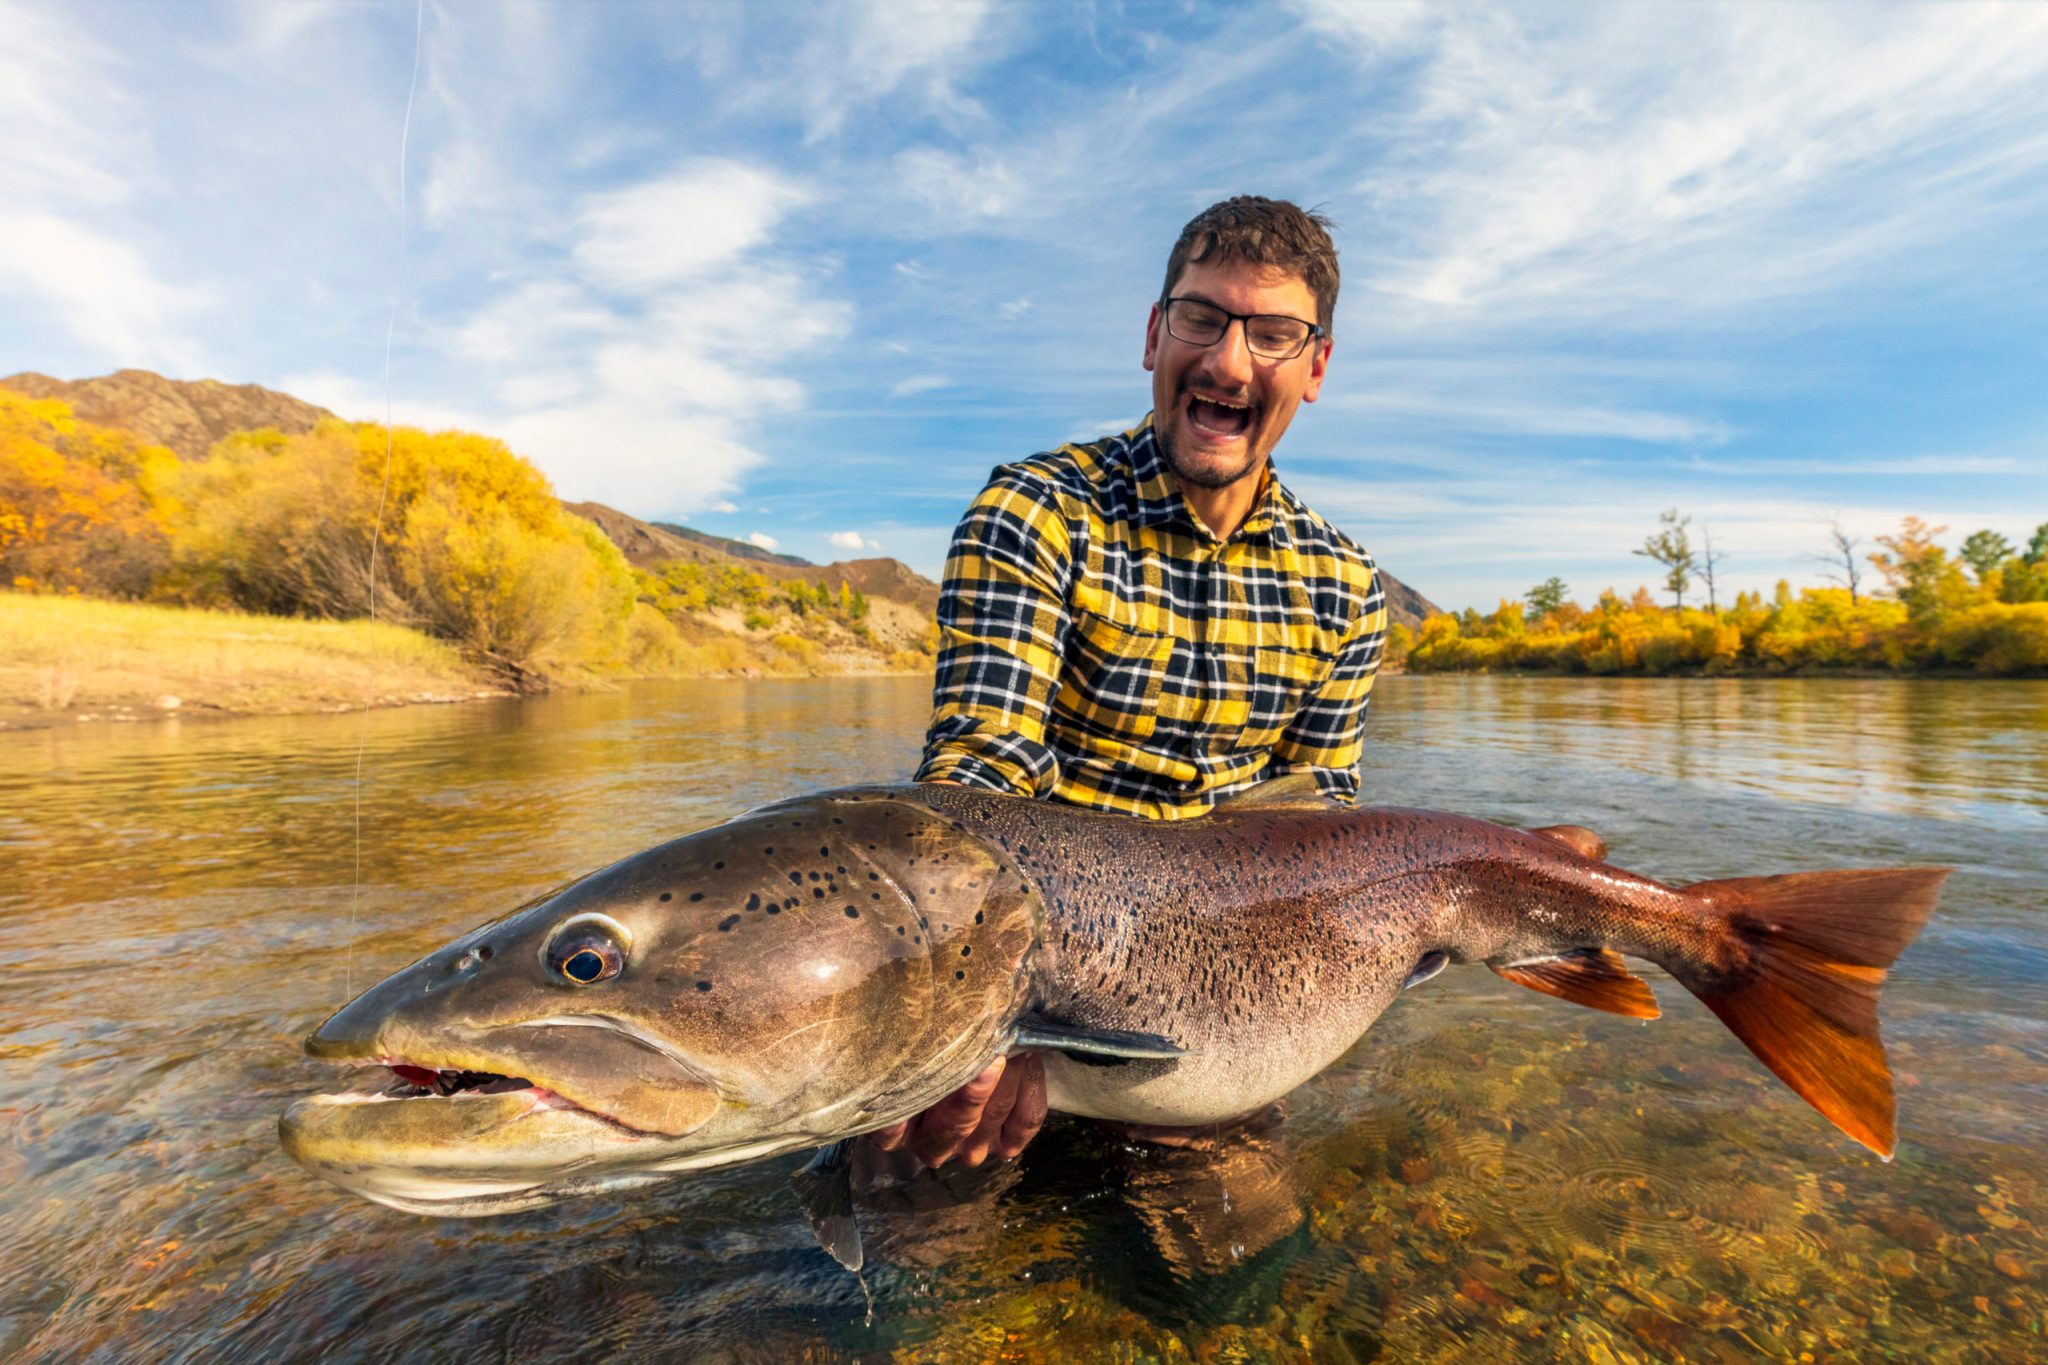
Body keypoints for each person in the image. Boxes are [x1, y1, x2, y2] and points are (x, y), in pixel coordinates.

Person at [869, 196, 1387, 1170]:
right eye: (1201, 318)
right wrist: (976, 1012)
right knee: (897, 1290)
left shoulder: (1347, 590)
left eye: (1273, 335)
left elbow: (1322, 840)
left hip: (1214, 1031)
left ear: (1314, 369)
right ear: (1153, 336)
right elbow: (976, 779)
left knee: (1237, 1297)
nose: (1229, 363)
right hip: (1023, 994)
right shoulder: (1033, 515)